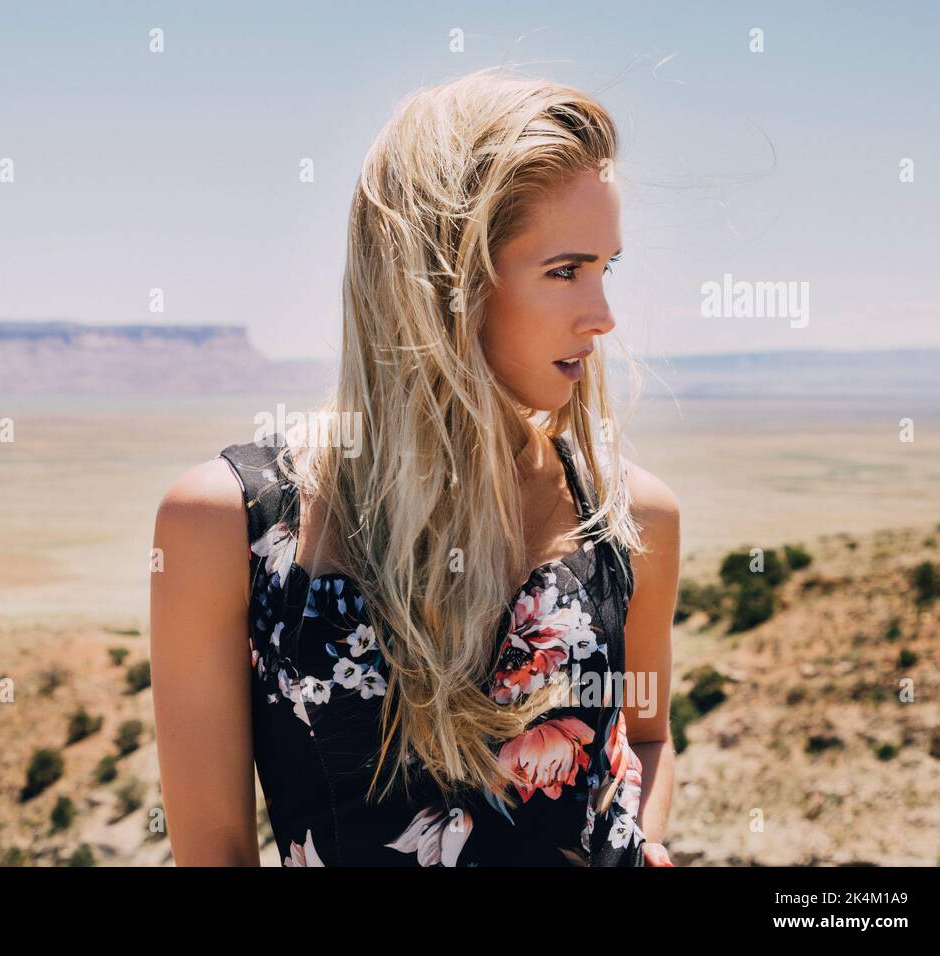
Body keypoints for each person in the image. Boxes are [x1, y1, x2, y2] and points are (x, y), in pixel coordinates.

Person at [150, 66, 679, 867]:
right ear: (442, 283)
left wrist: (646, 839)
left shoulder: (629, 515)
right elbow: (217, 848)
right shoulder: (225, 524)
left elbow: (645, 733)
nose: (603, 316)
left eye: (608, 267)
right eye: (566, 270)